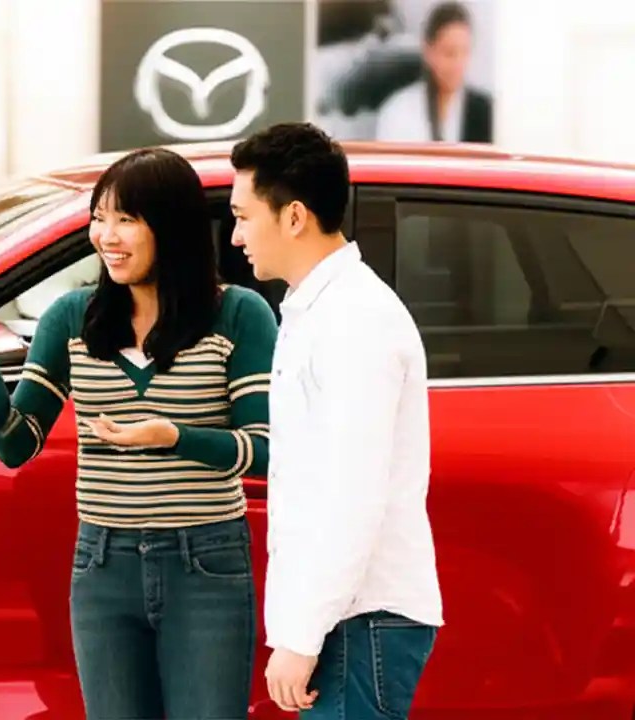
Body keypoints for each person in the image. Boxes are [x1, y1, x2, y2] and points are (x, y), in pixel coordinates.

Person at [0, 147, 278, 719]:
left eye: (126, 219)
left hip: (205, 562)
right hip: (102, 564)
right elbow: (15, 444)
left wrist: (173, 437)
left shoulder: (239, 315)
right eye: (99, 217)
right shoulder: (72, 318)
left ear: (172, 226)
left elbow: (265, 451)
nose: (106, 235)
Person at [227, 122, 443, 718]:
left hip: (359, 617)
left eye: (244, 216)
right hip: (345, 616)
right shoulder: (318, 309)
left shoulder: (354, 320)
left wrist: (301, 634)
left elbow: (352, 494)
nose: (237, 235)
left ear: (293, 216)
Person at [375, 1, 493, 143]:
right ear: (428, 51)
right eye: (450, 53)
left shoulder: (484, 112)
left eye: (465, 52)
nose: (458, 64)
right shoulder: (398, 111)